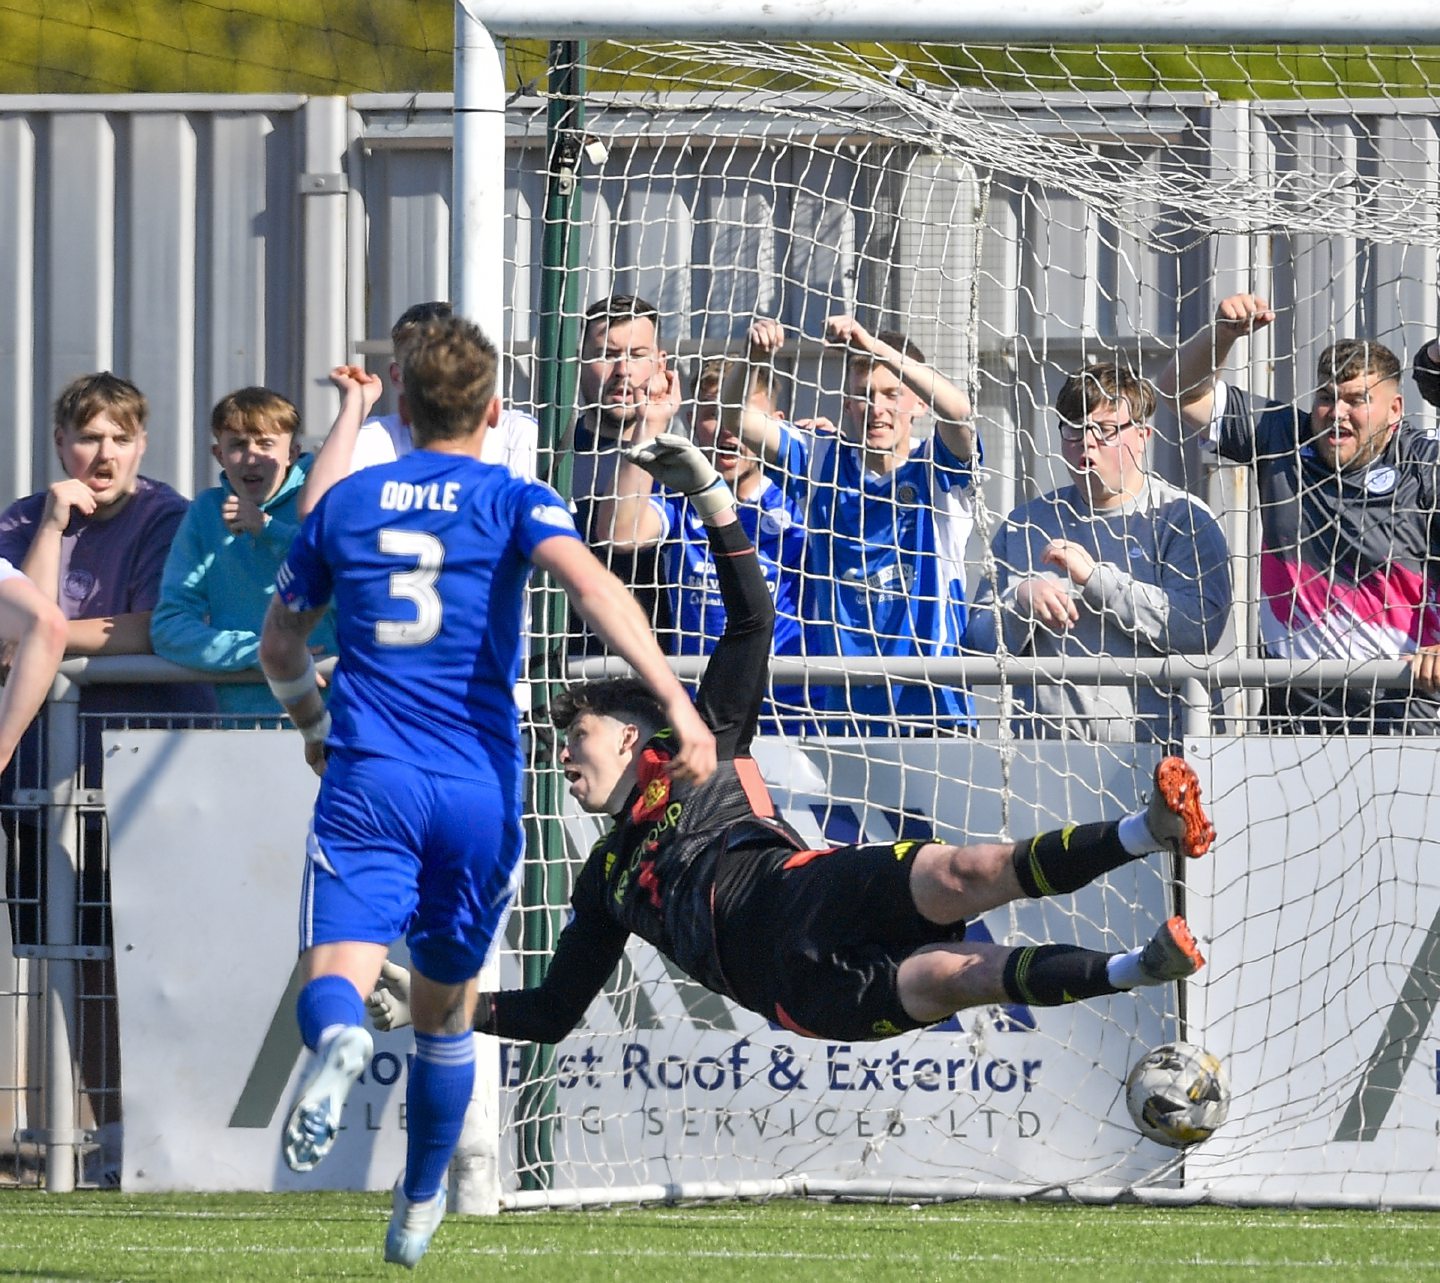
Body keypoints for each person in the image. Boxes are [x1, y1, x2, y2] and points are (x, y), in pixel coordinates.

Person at [367, 432, 1216, 1067]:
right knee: (959, 975)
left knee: (967, 871)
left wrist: (709, 494)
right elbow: (554, 1011)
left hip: (813, 885)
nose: (562, 757)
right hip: (794, 985)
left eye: (574, 735)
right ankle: (1135, 966)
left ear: (631, 736)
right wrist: (432, 1004)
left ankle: (1147, 830)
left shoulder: (700, 744)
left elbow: (753, 620)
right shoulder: (606, 878)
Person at [258, 315, 714, 1267]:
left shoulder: (343, 503)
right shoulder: (516, 497)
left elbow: (280, 646)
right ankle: (422, 1198)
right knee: (443, 1011)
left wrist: (311, 726)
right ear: (494, 410)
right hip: (476, 784)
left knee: (335, 977)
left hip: (371, 777)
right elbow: (598, 589)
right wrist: (675, 697)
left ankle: (338, 1042)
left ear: (406, 407)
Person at [0, 371, 216, 1186]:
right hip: (43, 781)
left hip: (149, 772)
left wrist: (47, 640)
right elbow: (21, 628)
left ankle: (190, 1134)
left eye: (119, 438)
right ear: (60, 443)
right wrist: (54, 526)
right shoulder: (24, 519)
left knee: (161, 961)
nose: (102, 454)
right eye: (87, 437)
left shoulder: (171, 518)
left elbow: (154, 625)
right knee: (74, 961)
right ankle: (116, 1138)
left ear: (142, 446)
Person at [1160, 293, 1440, 732]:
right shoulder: (1283, 438)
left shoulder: (1424, 467)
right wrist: (1221, 336)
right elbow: (1178, 391)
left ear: (1395, 410)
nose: (1337, 413)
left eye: (1357, 399)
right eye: (1327, 397)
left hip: (1404, 723)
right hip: (1294, 724)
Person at [729, 315, 979, 734]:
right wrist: (752, 359)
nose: (877, 408)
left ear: (917, 403)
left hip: (933, 701)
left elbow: (959, 411)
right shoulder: (823, 461)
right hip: (846, 703)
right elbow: (734, 419)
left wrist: (872, 345)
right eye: (863, 395)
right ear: (846, 403)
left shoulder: (937, 467)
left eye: (891, 394)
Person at [967, 363, 1233, 743]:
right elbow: (976, 649)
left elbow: (1199, 629)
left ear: (1143, 436)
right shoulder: (1025, 524)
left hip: (1162, 760)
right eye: (1074, 429)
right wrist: (1019, 604)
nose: (1087, 443)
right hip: (1048, 763)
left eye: (1105, 430)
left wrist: (1095, 580)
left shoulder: (1183, 518)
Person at [591, 318, 809, 730]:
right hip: (699, 714)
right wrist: (651, 423)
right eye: (711, 414)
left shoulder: (803, 503)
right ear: (691, 422)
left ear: (774, 424)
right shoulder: (680, 502)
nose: (728, 428)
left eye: (742, 416)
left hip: (788, 714)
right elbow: (620, 533)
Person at [150, 388, 336, 716]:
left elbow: (341, 575)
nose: (252, 458)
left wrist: (269, 530)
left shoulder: (324, 496)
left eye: (266, 444)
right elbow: (169, 626)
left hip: (334, 712)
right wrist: (261, 652)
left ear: (292, 452)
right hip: (242, 723)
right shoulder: (205, 512)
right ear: (218, 454)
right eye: (237, 445)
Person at [298, 299, 538, 519]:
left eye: (454, 364)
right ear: (397, 376)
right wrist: (356, 404)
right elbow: (318, 513)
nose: (441, 378)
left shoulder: (519, 433)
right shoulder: (375, 438)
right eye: (421, 369)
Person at [570, 293, 683, 651]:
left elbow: (622, 533)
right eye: (607, 355)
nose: (622, 370)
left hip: (656, 675)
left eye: (636, 356)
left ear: (660, 362)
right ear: (580, 361)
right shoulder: (542, 456)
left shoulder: (685, 462)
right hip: (557, 670)